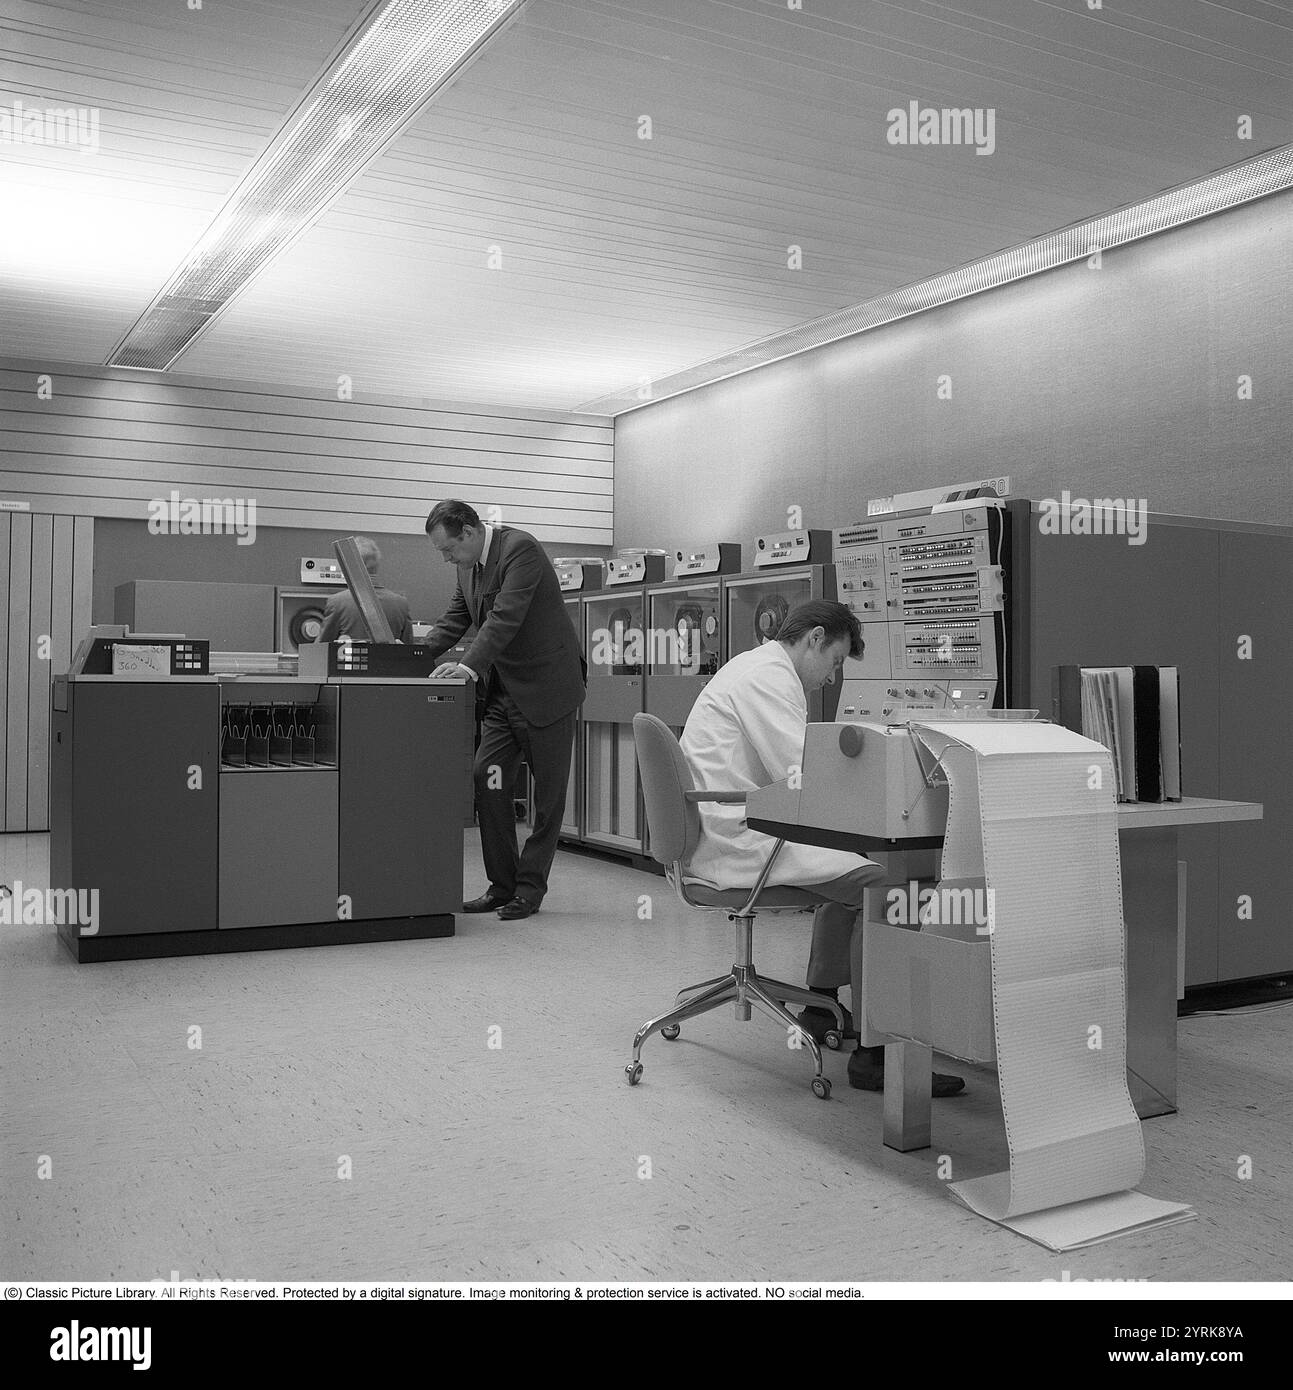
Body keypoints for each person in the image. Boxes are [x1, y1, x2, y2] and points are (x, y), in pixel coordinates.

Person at [680, 598, 964, 1097]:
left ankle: (819, 1006)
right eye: (834, 661)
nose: (832, 677)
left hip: (729, 823)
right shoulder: (769, 679)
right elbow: (801, 773)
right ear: (814, 638)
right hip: (738, 837)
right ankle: (880, 1053)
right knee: (880, 882)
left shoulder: (757, 668)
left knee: (851, 869)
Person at [422, 500, 585, 920]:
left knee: (547, 798)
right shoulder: (468, 566)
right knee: (487, 777)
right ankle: (502, 885)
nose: (445, 559)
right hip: (504, 693)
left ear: (472, 531)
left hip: (548, 690)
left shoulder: (520, 550)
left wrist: (467, 666)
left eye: (449, 549)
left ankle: (529, 890)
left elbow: (504, 617)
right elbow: (457, 617)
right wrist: (407, 657)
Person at [316, 536, 414, 643]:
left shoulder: (337, 603)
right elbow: (408, 650)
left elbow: (319, 649)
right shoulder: (401, 604)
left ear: (350, 564)